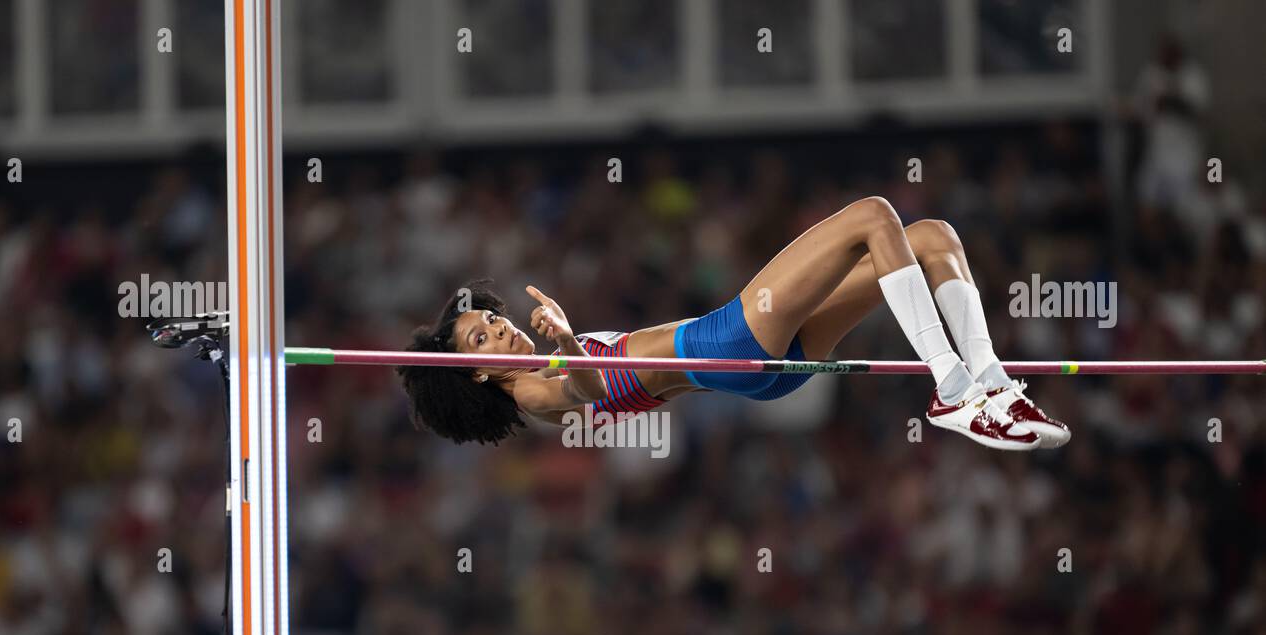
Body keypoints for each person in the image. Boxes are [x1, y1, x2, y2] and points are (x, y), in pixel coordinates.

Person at [399, 198, 1070, 450]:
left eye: (489, 320)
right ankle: (953, 389)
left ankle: (990, 384)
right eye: (481, 339)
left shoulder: (534, 374)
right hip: (730, 343)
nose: (497, 329)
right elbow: (584, 389)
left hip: (760, 367)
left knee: (930, 235)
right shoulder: (532, 392)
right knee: (871, 216)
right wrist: (570, 341)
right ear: (481, 371)